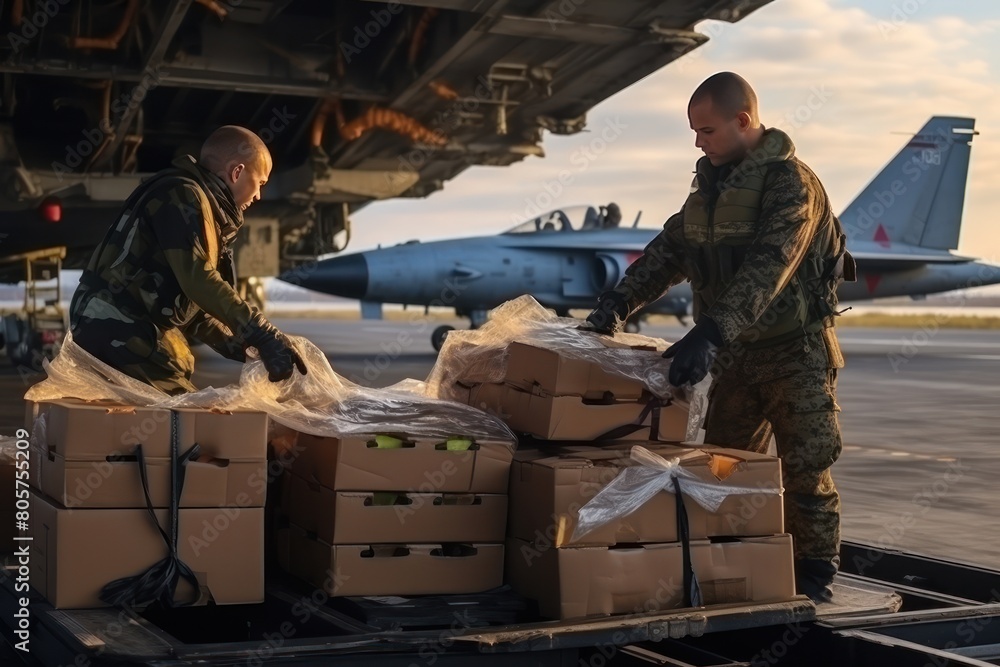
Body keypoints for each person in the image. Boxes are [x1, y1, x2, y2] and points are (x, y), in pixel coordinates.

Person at [583, 72, 854, 603]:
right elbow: (667, 253)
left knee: (807, 470)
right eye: (694, 131)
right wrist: (615, 306)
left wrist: (709, 332)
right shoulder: (710, 192)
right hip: (737, 360)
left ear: (743, 121)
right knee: (724, 470)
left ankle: (814, 576)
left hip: (795, 354)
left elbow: (771, 265)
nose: (698, 143)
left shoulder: (791, 184)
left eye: (706, 131)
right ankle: (739, 564)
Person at [69, 125, 306, 395]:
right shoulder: (183, 195)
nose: (258, 196)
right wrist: (261, 331)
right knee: (181, 411)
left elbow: (193, 311)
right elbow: (199, 280)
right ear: (237, 172)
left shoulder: (198, 203)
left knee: (179, 392)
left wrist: (250, 349)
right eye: (260, 183)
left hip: (121, 323)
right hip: (117, 323)